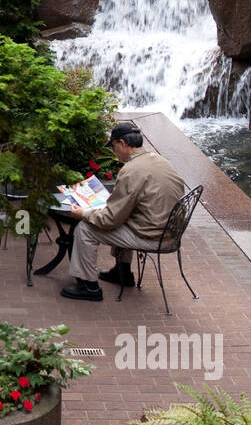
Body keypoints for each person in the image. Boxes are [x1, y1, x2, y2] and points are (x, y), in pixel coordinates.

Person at [60, 121, 186, 302]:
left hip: (153, 236)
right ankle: (122, 273)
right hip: (170, 231)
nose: (113, 151)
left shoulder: (130, 170)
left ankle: (88, 286)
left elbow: (110, 220)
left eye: (113, 146)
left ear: (123, 144)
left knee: (85, 229)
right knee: (124, 216)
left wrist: (84, 214)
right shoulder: (160, 160)